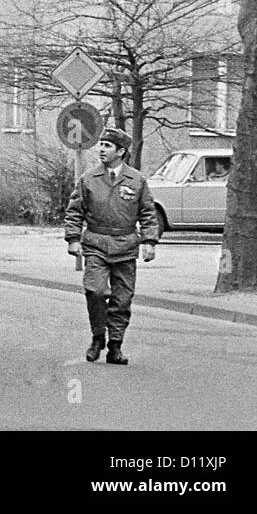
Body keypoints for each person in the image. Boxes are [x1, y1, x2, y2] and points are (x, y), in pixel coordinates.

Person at [64, 127, 158, 366]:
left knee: (122, 298)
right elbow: (75, 211)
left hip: (126, 245)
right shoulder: (88, 179)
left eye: (107, 146)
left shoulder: (137, 180)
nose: (101, 150)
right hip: (96, 242)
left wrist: (149, 241)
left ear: (121, 151)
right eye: (101, 145)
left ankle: (115, 345)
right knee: (94, 291)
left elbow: (147, 212)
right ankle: (98, 337)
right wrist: (73, 239)